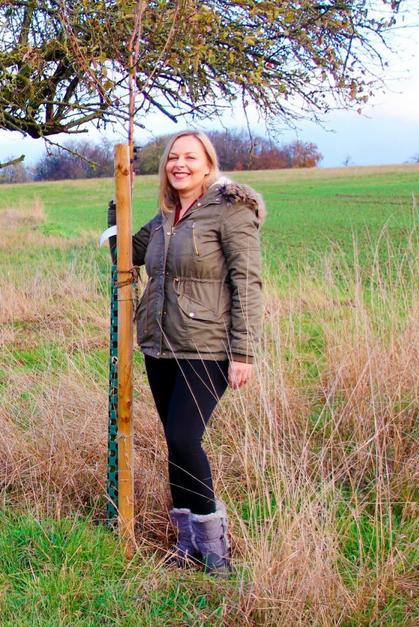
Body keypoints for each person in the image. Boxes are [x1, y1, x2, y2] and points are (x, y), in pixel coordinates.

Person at [130, 131, 264, 575]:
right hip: (159, 345)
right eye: (173, 157)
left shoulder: (230, 210)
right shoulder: (167, 215)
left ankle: (215, 552)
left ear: (208, 164)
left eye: (190, 157)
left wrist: (243, 352)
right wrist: (119, 198)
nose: (179, 164)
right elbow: (126, 253)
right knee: (175, 444)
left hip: (206, 347)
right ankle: (187, 545)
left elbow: (247, 282)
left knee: (186, 438)